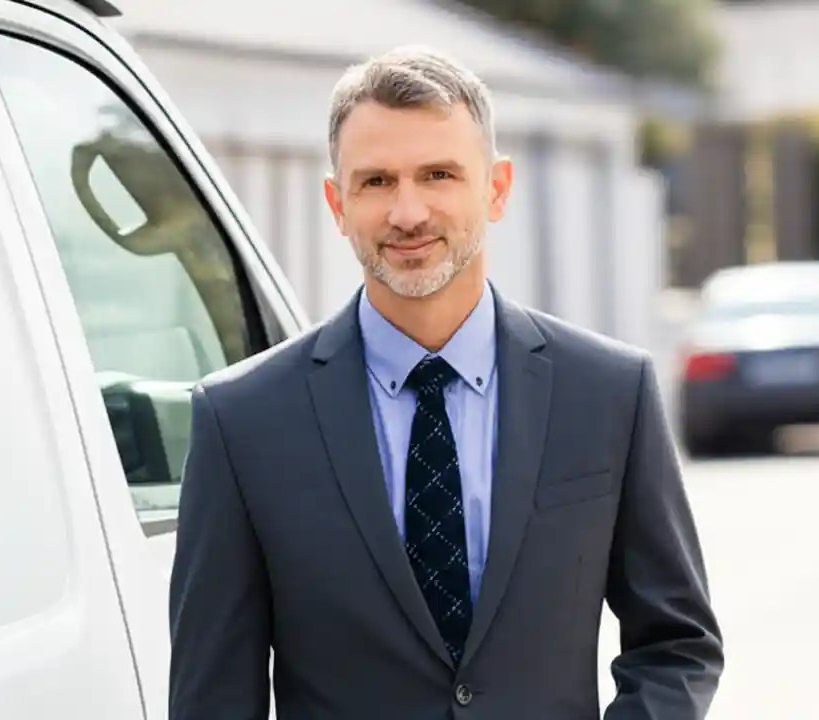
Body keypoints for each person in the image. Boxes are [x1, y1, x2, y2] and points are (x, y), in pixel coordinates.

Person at [168, 44, 724, 719]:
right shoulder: (242, 421)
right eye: (376, 182)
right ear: (336, 202)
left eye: (438, 174)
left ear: (495, 188)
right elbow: (212, 696)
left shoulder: (610, 393)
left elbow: (677, 643)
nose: (408, 212)